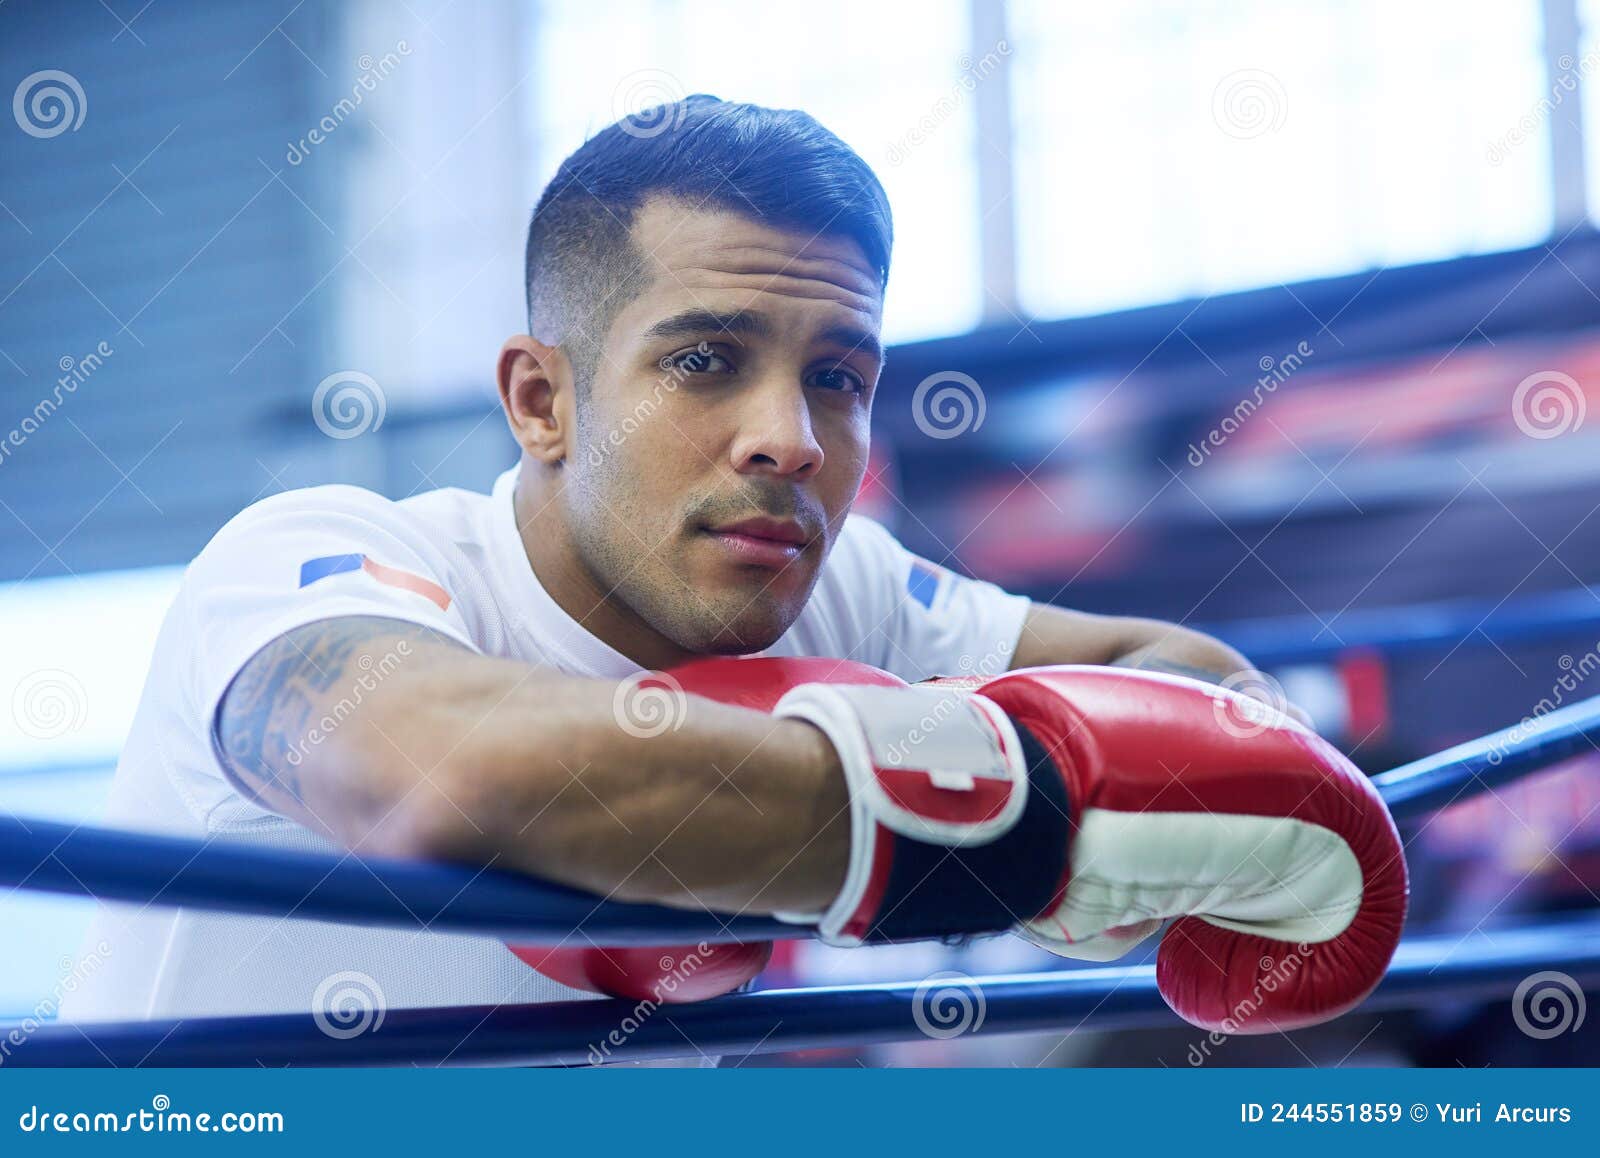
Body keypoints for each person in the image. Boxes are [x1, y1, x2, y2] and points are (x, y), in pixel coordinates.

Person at [64, 96, 1373, 1029]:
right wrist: (1025, 833)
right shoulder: (311, 557)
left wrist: (1165, 804)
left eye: (838, 378)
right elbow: (452, 780)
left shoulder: (830, 579)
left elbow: (1186, 672)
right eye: (704, 360)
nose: (791, 441)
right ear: (541, 401)